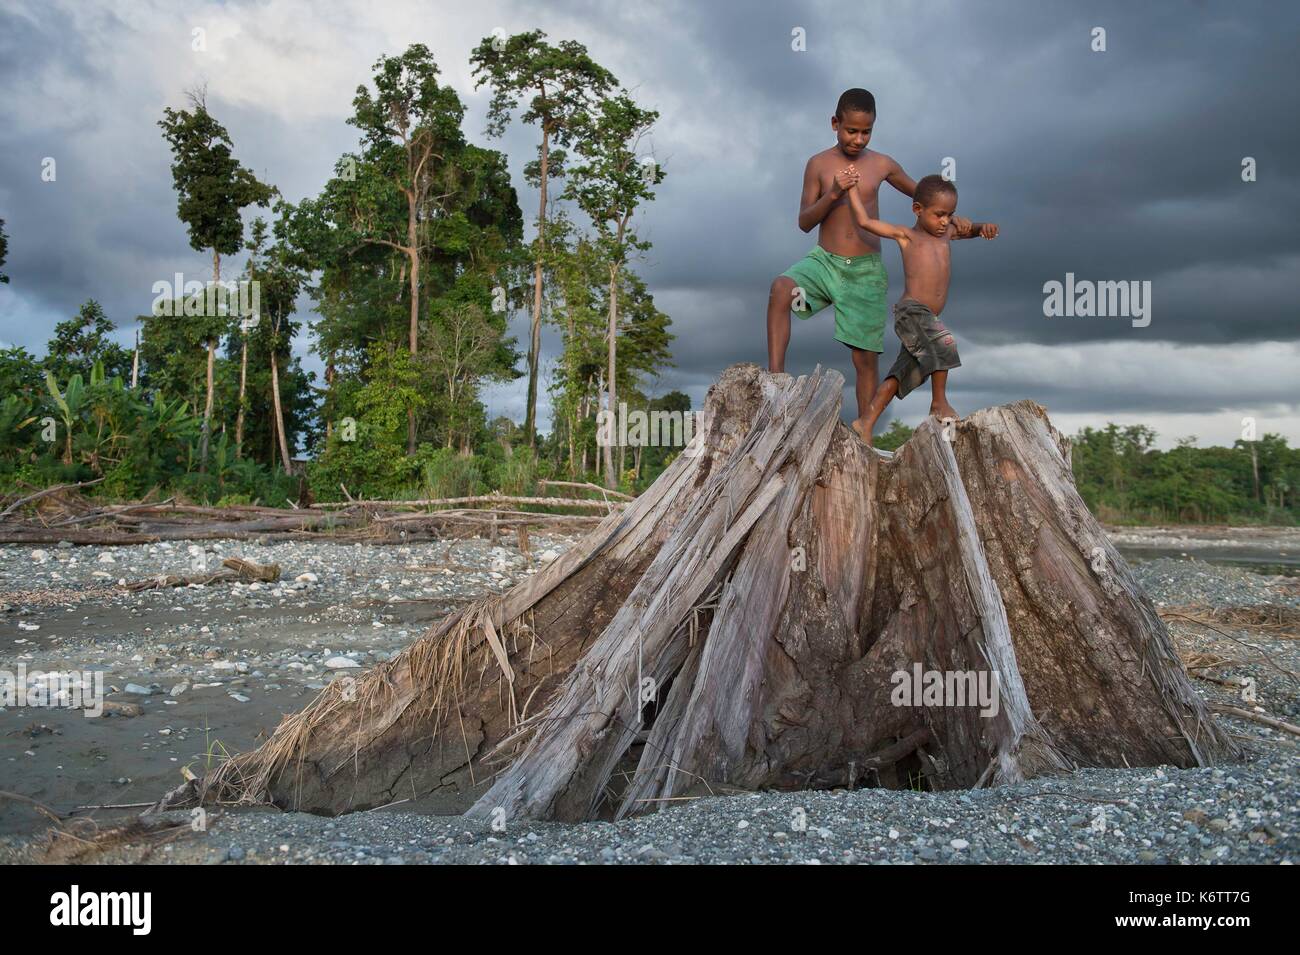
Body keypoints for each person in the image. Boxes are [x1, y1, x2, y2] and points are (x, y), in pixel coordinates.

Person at [765, 87, 971, 423]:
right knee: (781, 289)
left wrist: (956, 217)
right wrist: (833, 193)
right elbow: (804, 222)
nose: (858, 139)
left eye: (866, 132)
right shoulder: (818, 164)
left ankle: (865, 433)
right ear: (835, 123)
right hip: (824, 263)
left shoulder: (882, 164)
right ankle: (774, 382)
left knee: (865, 358)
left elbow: (927, 196)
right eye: (851, 131)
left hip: (865, 272)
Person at [844, 174, 998, 445]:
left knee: (904, 373)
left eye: (949, 215)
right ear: (917, 209)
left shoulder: (948, 232)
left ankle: (865, 422)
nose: (944, 221)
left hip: (928, 320)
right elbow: (865, 222)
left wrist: (983, 226)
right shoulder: (907, 236)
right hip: (911, 312)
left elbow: (970, 228)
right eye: (939, 214)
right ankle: (939, 402)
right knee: (945, 343)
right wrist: (852, 190)